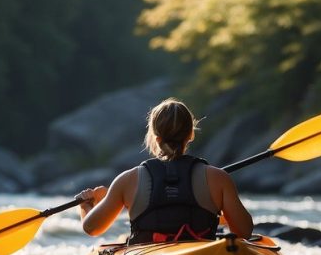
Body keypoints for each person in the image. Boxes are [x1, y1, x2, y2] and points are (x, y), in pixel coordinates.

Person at [77, 98, 253, 243]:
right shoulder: (218, 178)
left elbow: (91, 228)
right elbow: (244, 232)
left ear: (156, 137)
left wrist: (87, 206)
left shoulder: (127, 180)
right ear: (191, 134)